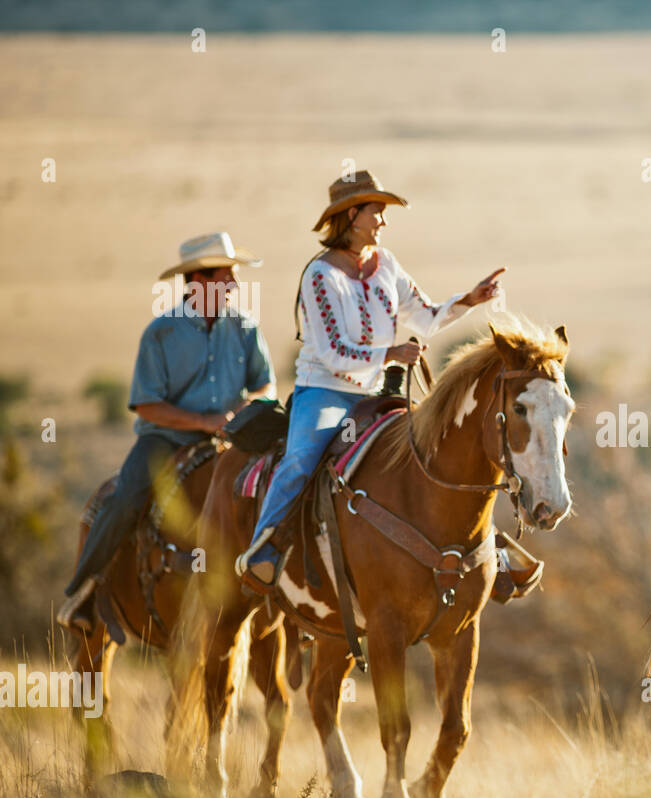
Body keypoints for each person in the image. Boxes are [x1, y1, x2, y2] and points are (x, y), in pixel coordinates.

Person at [236, 170, 505, 592]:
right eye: (377, 212)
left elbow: (424, 316)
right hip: (324, 391)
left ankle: (478, 553)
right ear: (352, 215)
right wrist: (390, 354)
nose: (383, 221)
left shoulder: (388, 266)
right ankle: (263, 550)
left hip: (376, 392)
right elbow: (331, 353)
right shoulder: (320, 276)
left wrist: (468, 301)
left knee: (431, 447)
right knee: (301, 459)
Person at [58, 232, 275, 629]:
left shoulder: (245, 327)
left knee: (279, 481)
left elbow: (265, 384)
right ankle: (84, 593)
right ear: (198, 281)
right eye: (226, 276)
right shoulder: (160, 333)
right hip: (165, 439)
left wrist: (249, 404)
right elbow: (147, 405)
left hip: (232, 439)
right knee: (124, 499)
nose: (235, 284)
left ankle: (292, 596)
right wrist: (204, 422)